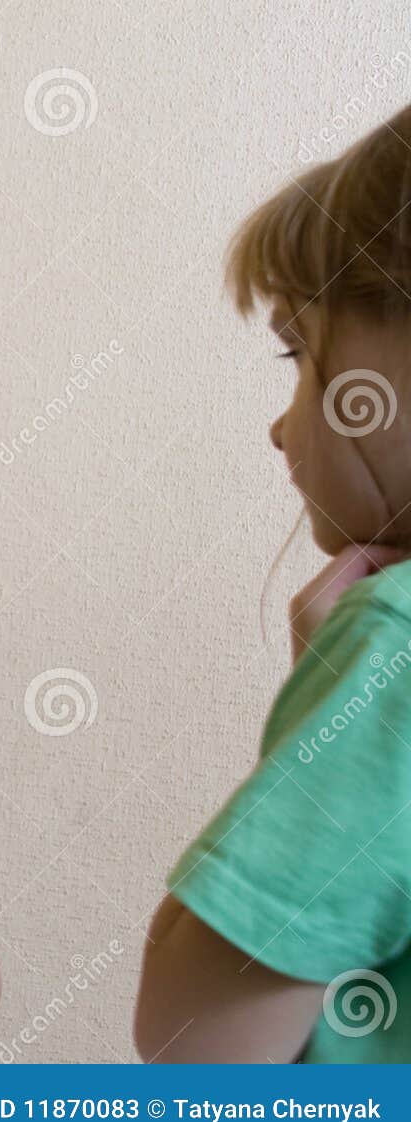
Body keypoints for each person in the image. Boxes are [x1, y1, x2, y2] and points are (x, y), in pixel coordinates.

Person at [136, 102, 411, 1063]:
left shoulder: (396, 642)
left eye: (298, 352)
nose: (279, 427)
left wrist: (321, 725)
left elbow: (193, 1049)